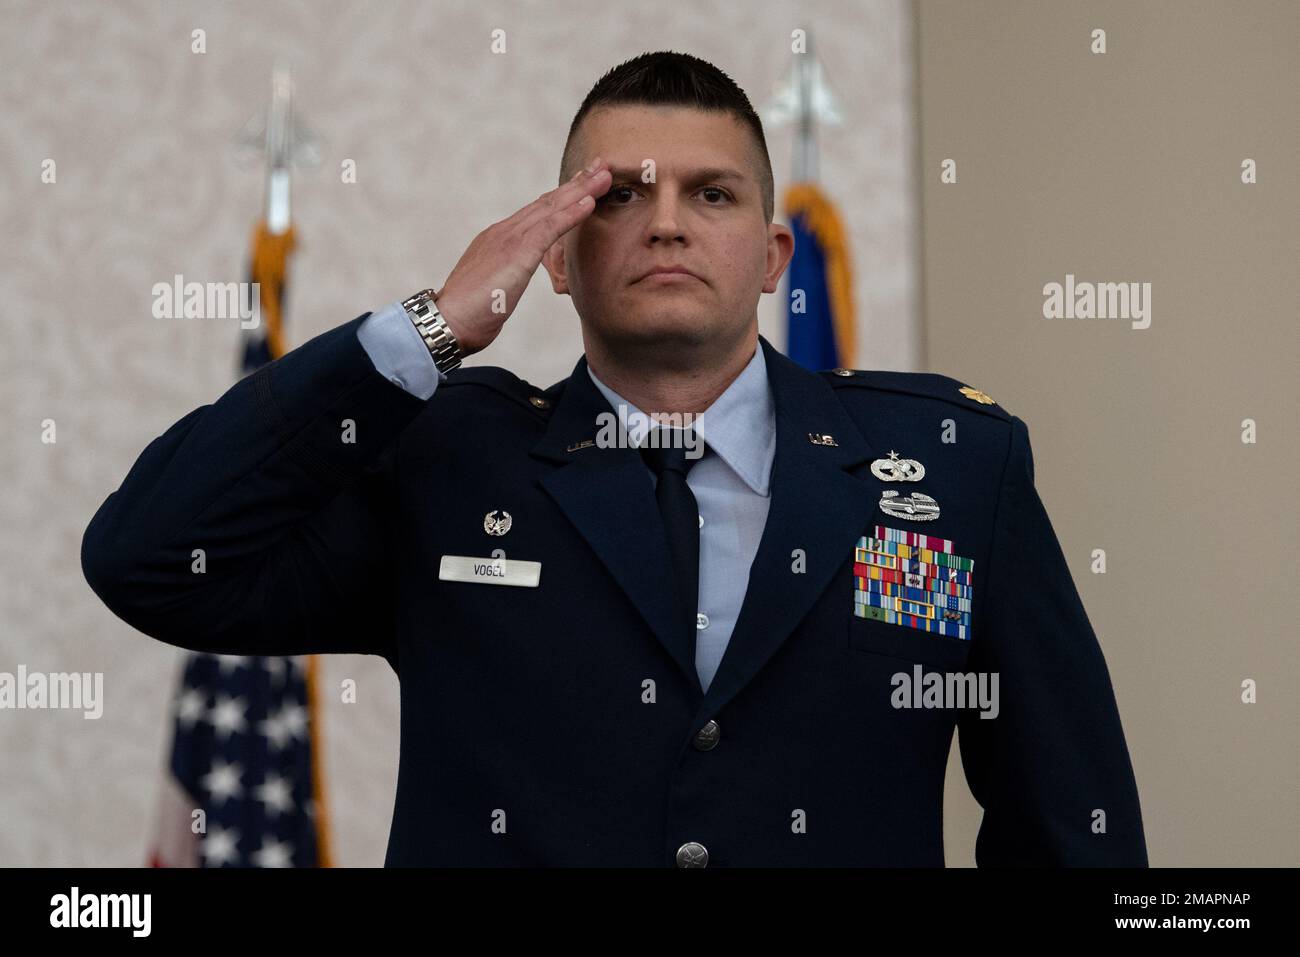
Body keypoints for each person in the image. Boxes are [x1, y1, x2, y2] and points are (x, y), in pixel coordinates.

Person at [81, 51, 1147, 867]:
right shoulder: (450, 462)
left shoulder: (952, 468)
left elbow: (1069, 822)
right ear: (557, 251)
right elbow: (153, 557)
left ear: (775, 257)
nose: (668, 225)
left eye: (712, 195)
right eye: (621, 196)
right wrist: (428, 332)